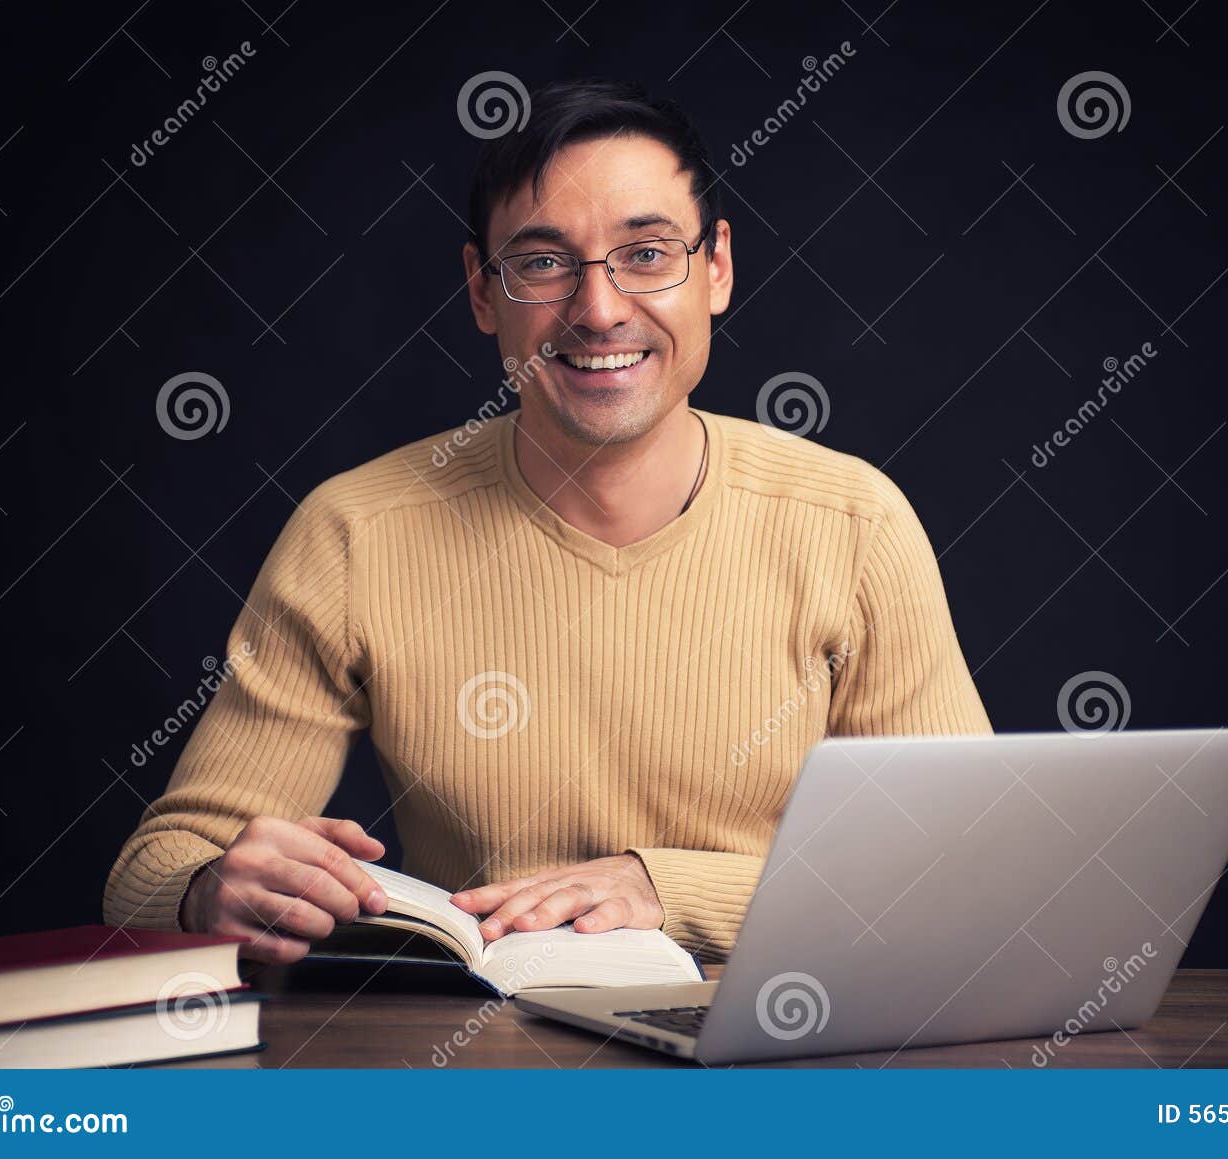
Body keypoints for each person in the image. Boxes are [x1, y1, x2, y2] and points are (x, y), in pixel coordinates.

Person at [103, 77, 991, 965]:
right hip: (477, 1063)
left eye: (647, 254)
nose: (598, 310)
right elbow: (153, 870)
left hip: (778, 1059)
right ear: (483, 292)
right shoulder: (355, 533)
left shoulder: (854, 523)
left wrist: (664, 890)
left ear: (716, 267)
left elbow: (973, 871)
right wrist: (209, 889)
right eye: (542, 262)